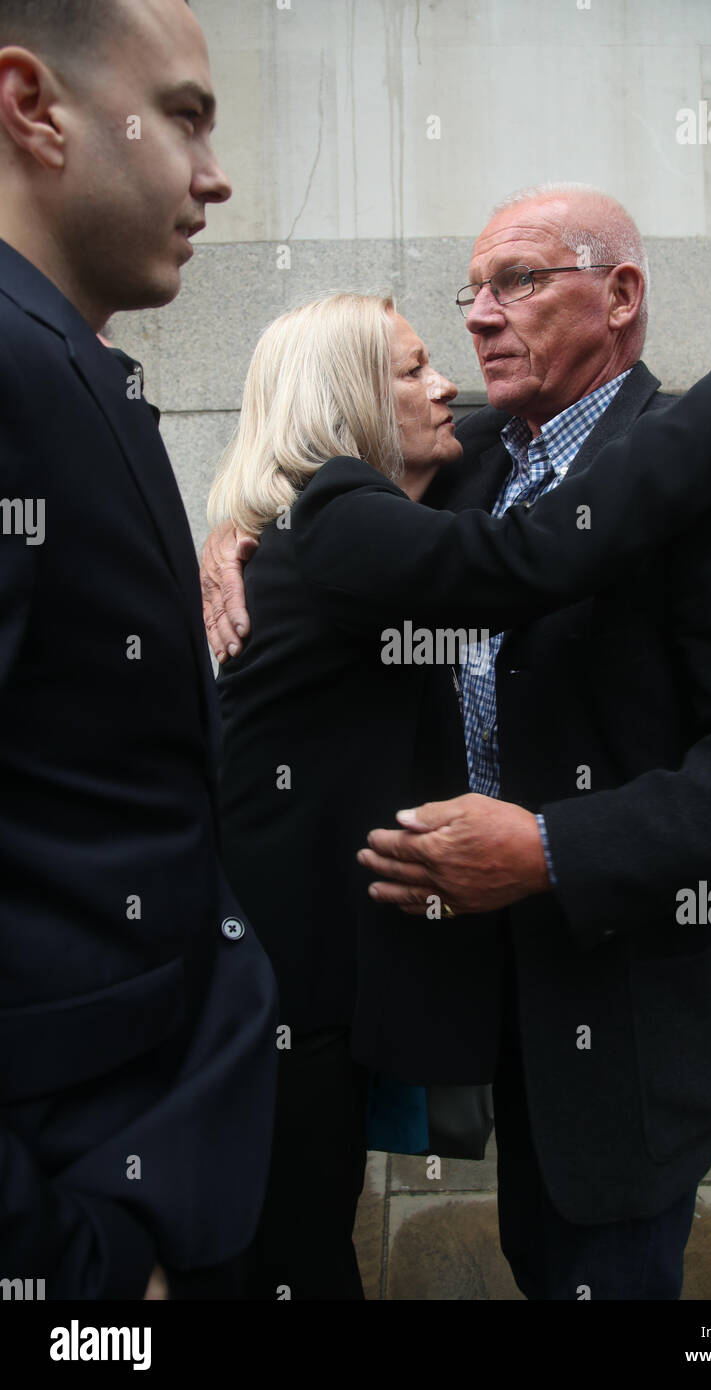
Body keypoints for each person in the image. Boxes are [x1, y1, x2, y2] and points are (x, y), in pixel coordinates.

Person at [201, 183, 711, 1300]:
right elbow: (341, 466)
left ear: (620, 296)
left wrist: (556, 847)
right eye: (471, 290)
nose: (475, 318)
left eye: (518, 279)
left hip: (630, 1026)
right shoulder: (463, 456)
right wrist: (237, 527)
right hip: (466, 1003)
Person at [0, 0, 277, 1299]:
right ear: (33, 106)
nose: (214, 175)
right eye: (182, 116)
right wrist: (71, 1268)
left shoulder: (67, 364)